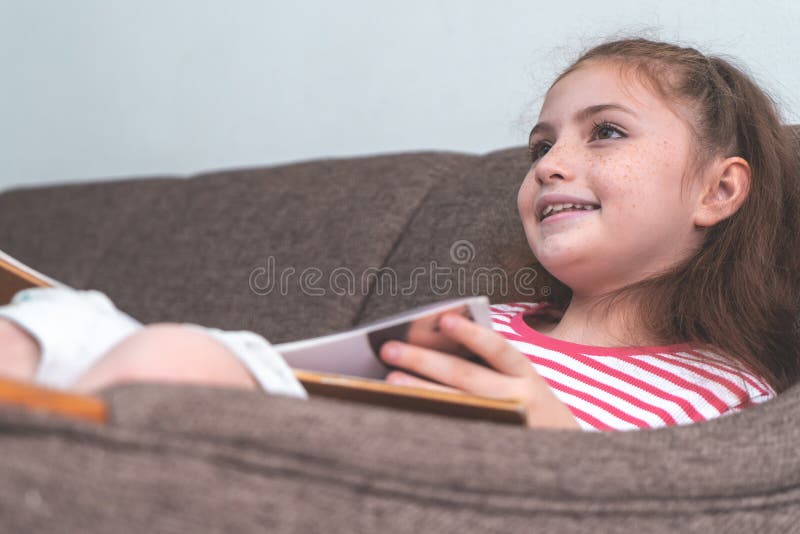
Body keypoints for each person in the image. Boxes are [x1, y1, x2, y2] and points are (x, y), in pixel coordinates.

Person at [1, 38, 798, 431]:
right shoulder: (485, 325)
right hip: (317, 423)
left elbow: (687, 503)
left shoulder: (724, 388)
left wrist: (558, 431)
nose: (553, 164)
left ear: (717, 189)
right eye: (541, 145)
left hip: (391, 475)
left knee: (167, 359)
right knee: (46, 323)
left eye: (607, 134)